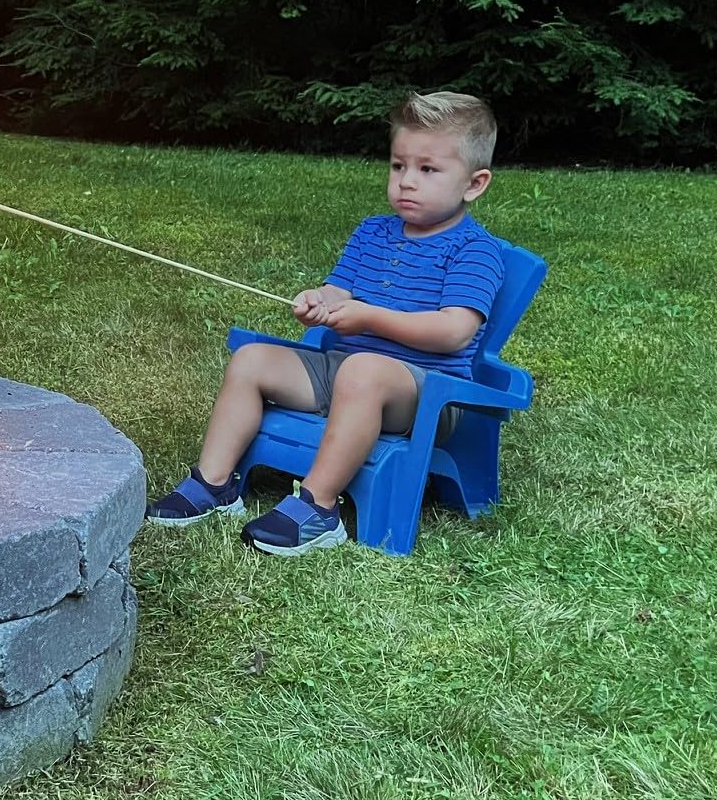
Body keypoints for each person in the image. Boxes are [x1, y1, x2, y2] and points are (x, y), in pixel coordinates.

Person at [145, 91, 506, 555]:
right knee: (252, 360)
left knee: (363, 371)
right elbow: (340, 290)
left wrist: (370, 318)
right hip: (343, 369)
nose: (406, 182)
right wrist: (319, 301)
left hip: (425, 394)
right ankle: (214, 485)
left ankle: (319, 507)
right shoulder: (372, 231)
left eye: (428, 170)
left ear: (474, 184)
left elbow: (454, 331)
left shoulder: (474, 250)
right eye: (398, 166)